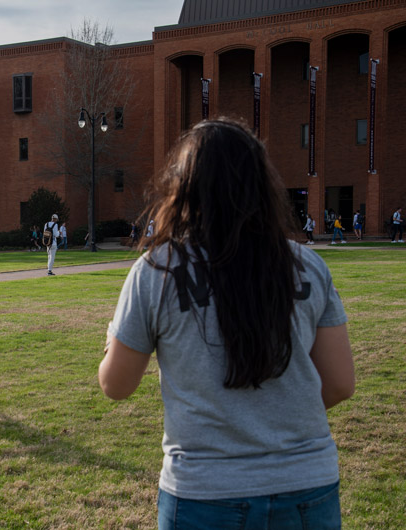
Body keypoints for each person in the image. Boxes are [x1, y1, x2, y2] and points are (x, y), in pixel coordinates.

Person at [99, 118, 354, 529]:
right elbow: (341, 382)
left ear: (183, 188)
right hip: (306, 483)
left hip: (204, 491)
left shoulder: (155, 272)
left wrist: (111, 346)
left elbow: (116, 384)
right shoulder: (308, 266)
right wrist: (273, 415)